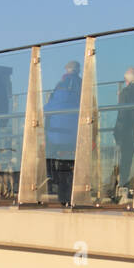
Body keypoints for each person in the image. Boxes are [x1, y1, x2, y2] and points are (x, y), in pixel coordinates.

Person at [44, 61, 81, 204]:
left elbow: (48, 108)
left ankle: (49, 175)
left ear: (66, 70)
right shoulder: (81, 85)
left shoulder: (60, 86)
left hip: (56, 135)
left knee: (49, 154)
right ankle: (72, 194)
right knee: (72, 163)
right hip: (74, 133)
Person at [113, 67, 134, 192]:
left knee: (126, 161)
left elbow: (122, 115)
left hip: (128, 132)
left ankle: (123, 187)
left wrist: (117, 134)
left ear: (127, 79)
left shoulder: (125, 93)